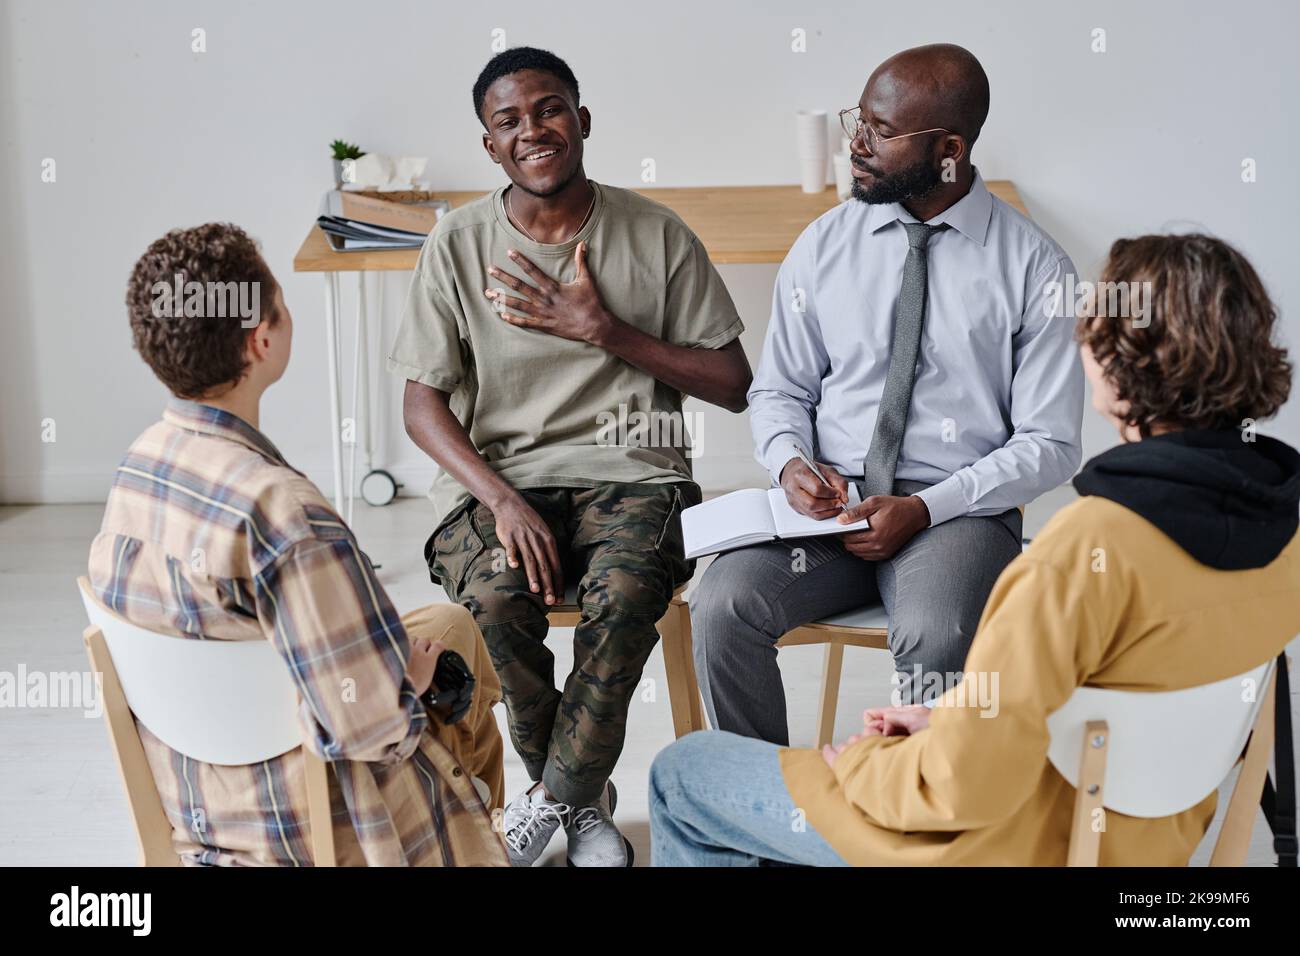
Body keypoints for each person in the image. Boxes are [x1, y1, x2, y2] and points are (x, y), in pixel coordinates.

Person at [649, 232, 1300, 866]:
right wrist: (950, 719)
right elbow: (1126, 684)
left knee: (683, 773)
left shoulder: (1088, 547)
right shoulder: (1284, 530)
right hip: (1138, 843)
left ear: (1125, 372)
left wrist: (862, 765)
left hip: (1000, 840)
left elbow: (960, 789)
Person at [388, 47, 752, 866]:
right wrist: (503, 501)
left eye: (548, 109)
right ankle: (585, 803)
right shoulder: (455, 244)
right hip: (502, 481)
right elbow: (422, 406)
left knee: (623, 594)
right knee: (494, 598)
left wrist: (606, 332)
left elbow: (733, 383)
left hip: (638, 474)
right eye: (507, 121)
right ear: (489, 146)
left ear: (581, 120)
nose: (533, 131)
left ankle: (556, 799)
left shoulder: (656, 235)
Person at [690, 43, 1084, 744]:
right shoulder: (822, 245)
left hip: (957, 511)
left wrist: (926, 506)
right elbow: (780, 388)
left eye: (878, 129)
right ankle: (760, 817)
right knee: (721, 606)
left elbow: (1050, 444)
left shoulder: (1033, 266)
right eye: (856, 121)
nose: (856, 144)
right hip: (829, 513)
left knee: (939, 634)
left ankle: (918, 827)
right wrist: (792, 464)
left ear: (949, 150)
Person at [89, 223, 508, 866]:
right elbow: (372, 728)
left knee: (448, 620)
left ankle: (488, 826)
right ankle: (482, 837)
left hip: (201, 793)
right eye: (281, 304)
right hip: (313, 813)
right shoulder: (286, 516)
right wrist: (411, 678)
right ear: (262, 340)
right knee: (452, 663)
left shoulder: (136, 469)